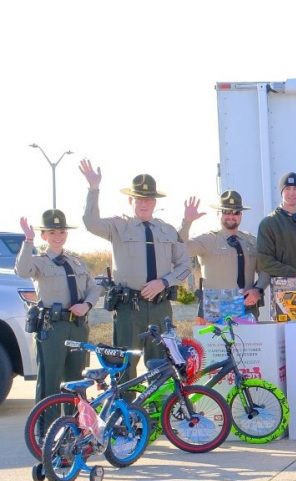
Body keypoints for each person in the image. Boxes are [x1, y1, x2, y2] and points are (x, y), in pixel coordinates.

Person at [80, 160, 191, 379]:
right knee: (124, 369)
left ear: (154, 202)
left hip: (160, 308)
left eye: (148, 199)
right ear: (131, 200)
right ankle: (126, 403)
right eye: (139, 198)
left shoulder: (168, 230)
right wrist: (93, 188)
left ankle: (159, 403)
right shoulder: (118, 227)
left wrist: (164, 282)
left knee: (162, 367)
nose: (144, 203)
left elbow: (185, 266)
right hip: (129, 309)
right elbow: (90, 223)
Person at [15, 209, 100, 406]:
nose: (57, 236)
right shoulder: (38, 262)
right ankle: (47, 424)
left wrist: (86, 305)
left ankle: (74, 424)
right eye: (52, 232)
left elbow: (94, 288)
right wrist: (28, 240)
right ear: (44, 235)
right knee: (50, 381)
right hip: (52, 328)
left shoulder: (77, 262)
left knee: (77, 380)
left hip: (77, 326)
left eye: (61, 231)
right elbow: (22, 271)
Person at [180, 191, 268, 318]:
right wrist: (187, 222)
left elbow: (265, 270)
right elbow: (181, 249)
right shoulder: (207, 240)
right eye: (226, 211)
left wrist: (258, 290)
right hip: (216, 309)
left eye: (236, 212)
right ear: (218, 213)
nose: (231, 216)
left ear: (241, 215)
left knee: (248, 333)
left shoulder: (252, 242)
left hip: (247, 308)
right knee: (216, 333)